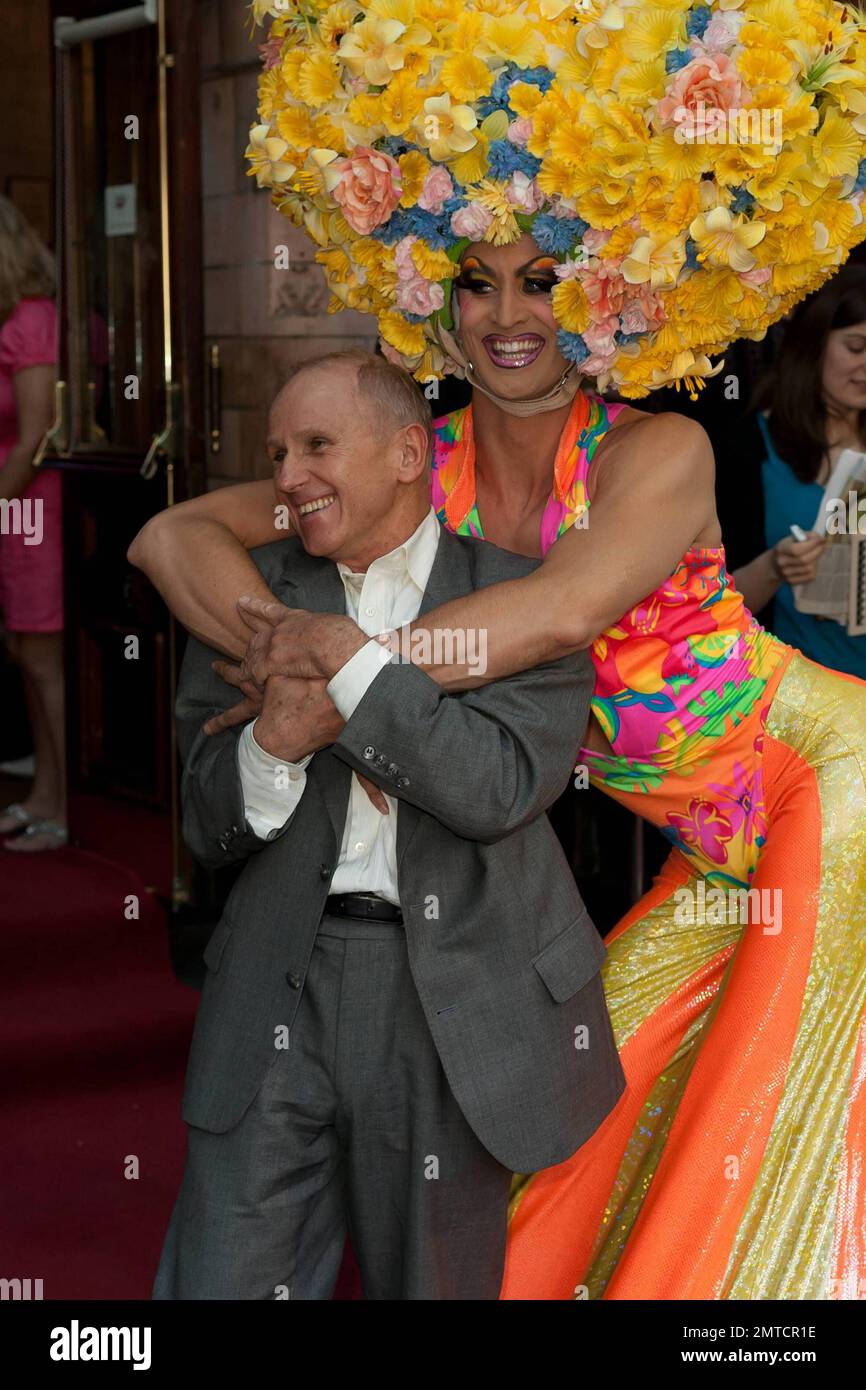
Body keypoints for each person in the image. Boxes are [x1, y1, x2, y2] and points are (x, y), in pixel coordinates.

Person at [131, 0, 866, 1299]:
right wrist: (282, 642)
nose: (510, 314)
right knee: (568, 1127)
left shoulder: (656, 450)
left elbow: (556, 615)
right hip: (714, 842)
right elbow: (173, 536)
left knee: (756, 1159)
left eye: (543, 278)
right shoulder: (428, 471)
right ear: (433, 293)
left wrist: (340, 656)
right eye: (478, 279)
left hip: (823, 783)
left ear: (598, 289)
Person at [151, 351, 624, 1301]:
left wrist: (354, 685)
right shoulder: (252, 603)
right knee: (225, 1279)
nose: (287, 477)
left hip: (462, 993)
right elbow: (206, 822)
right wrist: (273, 751)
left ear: (410, 453)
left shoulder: (519, 599)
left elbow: (495, 787)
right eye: (278, 452)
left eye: (317, 445)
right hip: (278, 983)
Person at [713, 265, 866, 679]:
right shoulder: (747, 446)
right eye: (855, 347)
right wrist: (775, 567)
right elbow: (705, 605)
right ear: (814, 344)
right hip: (791, 692)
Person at [0, 196, 66, 851]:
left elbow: (37, 432)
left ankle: (65, 806)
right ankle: (43, 795)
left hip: (29, 510)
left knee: (45, 659)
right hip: (10, 509)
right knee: (24, 652)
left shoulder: (31, 318)